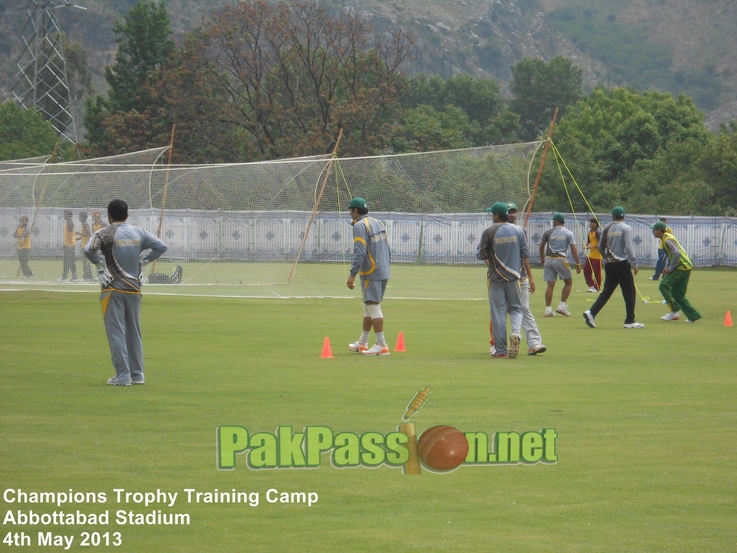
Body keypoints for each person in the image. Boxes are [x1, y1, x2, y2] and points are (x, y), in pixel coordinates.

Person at [84, 199, 168, 386]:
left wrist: (99, 266)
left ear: (109, 215)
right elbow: (161, 246)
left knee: (116, 332)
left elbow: (88, 249)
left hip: (113, 288)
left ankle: (122, 376)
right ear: (127, 215)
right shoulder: (138, 232)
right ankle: (137, 375)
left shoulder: (104, 232)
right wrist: (144, 262)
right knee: (134, 332)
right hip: (134, 288)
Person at [476, 202, 532, 359]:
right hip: (515, 277)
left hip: (495, 278)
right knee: (516, 309)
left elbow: (481, 254)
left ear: (496, 215)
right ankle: (516, 333)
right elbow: (525, 254)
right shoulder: (519, 230)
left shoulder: (489, 232)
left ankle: (501, 350)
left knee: (498, 313)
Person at [583, 206, 644, 329]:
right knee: (629, 291)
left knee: (607, 291)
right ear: (623, 216)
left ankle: (591, 312)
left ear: (614, 216)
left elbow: (600, 246)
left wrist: (606, 258)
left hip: (610, 264)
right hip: (621, 263)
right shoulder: (626, 228)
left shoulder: (607, 228)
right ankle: (630, 320)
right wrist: (634, 263)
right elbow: (628, 248)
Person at [345, 197, 392, 356]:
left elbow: (360, 252)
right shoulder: (377, 222)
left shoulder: (359, 225)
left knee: (372, 306)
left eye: (350, 210)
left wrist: (352, 274)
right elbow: (386, 248)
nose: (350, 214)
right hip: (383, 269)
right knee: (368, 306)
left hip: (371, 271)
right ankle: (362, 342)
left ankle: (382, 344)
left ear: (355, 211)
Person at [507, 203, 546, 355]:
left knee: (524, 309)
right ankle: (497, 345)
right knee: (500, 311)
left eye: (514, 212)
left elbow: (525, 255)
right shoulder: (495, 231)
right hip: (503, 278)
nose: (512, 215)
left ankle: (534, 343)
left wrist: (530, 276)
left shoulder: (521, 231)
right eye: (509, 212)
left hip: (520, 277)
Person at [650, 221, 702, 323]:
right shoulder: (666, 237)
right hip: (686, 266)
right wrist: (667, 267)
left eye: (654, 229)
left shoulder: (667, 239)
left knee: (663, 285)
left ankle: (674, 310)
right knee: (677, 293)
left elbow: (676, 253)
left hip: (681, 267)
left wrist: (670, 268)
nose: (652, 231)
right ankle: (693, 315)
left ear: (659, 230)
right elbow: (671, 255)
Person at [539, 212, 581, 317]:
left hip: (548, 259)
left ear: (557, 221)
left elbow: (541, 246)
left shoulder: (548, 232)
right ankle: (562, 306)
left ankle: (548, 310)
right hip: (560, 259)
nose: (553, 222)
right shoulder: (568, 233)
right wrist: (578, 264)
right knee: (568, 282)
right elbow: (574, 249)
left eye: (554, 220)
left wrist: (542, 258)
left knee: (550, 285)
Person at [584, 217, 603, 293]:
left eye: (591, 222)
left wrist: (590, 247)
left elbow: (601, 244)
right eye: (590, 222)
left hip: (598, 255)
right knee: (586, 269)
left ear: (595, 223)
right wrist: (586, 245)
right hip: (591, 255)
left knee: (597, 272)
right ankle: (591, 285)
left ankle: (597, 287)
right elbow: (589, 241)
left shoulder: (598, 232)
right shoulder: (590, 231)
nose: (590, 224)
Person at [58, 209, 77, 281]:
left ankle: (65, 277)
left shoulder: (69, 223)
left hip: (70, 245)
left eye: (65, 214)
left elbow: (71, 233)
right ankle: (72, 277)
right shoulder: (68, 222)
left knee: (68, 261)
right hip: (68, 244)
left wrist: (68, 244)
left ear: (68, 215)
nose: (64, 216)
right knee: (69, 260)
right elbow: (67, 235)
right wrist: (64, 245)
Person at [77, 211, 93, 281]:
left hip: (86, 246)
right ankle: (87, 276)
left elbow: (88, 233)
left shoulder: (85, 225)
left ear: (83, 217)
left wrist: (79, 233)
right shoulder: (84, 224)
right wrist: (79, 238)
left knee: (86, 262)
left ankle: (88, 276)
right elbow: (85, 235)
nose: (79, 218)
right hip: (85, 245)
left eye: (80, 216)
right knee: (85, 261)